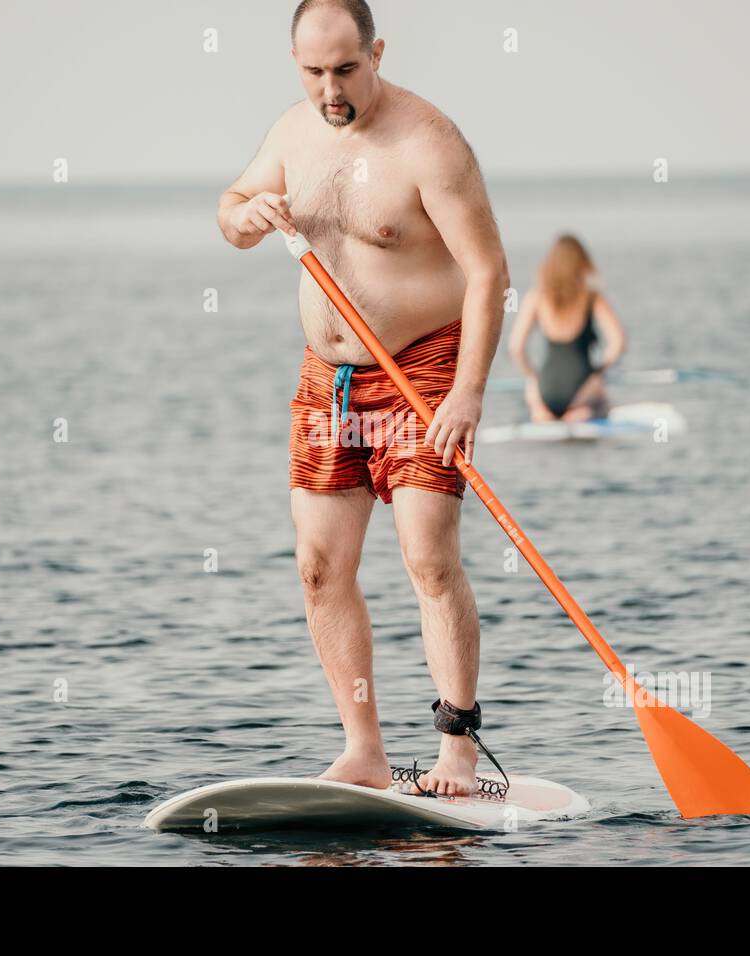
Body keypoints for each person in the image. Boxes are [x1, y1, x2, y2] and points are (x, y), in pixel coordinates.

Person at [215, 0, 510, 796]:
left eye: (346, 69)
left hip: (424, 369)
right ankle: (364, 750)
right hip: (328, 377)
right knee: (318, 569)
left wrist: (469, 394)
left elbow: (488, 275)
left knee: (428, 560)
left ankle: (456, 750)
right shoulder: (291, 131)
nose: (330, 89)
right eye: (313, 72)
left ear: (377, 52)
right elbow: (229, 212)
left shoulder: (429, 143)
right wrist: (249, 216)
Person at [508, 235, 626, 422]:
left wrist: (532, 376)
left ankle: (544, 413)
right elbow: (618, 343)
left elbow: (516, 347)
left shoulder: (537, 297)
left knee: (539, 410)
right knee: (601, 405)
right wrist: (598, 372)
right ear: (582, 263)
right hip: (582, 388)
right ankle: (579, 413)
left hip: (544, 388)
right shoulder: (591, 297)